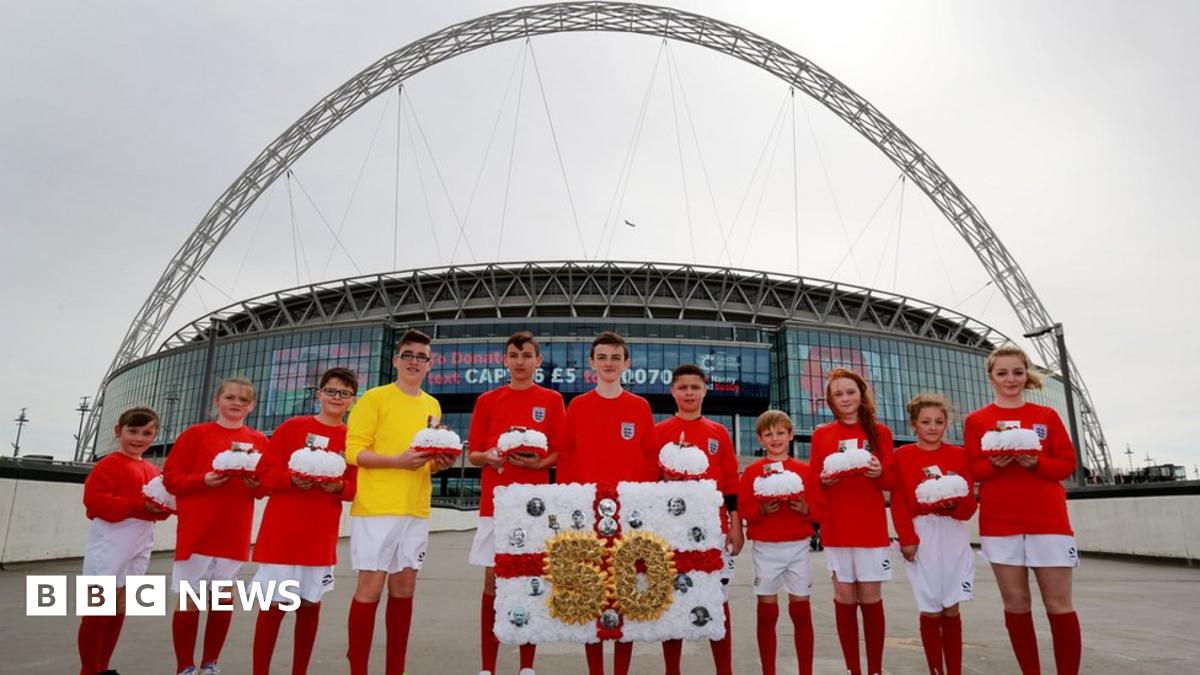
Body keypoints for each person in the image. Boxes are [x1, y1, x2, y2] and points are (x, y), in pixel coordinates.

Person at [344, 329, 457, 675]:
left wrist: (440, 463)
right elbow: (353, 452)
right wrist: (395, 461)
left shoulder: (432, 405)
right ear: (396, 360)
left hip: (415, 508)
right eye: (408, 354)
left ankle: (396, 668)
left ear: (430, 364)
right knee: (371, 589)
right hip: (378, 507)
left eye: (421, 356)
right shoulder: (375, 398)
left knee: (404, 589)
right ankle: (359, 667)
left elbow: (426, 461)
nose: (414, 361)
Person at [964, 344, 1081, 675]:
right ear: (991, 377)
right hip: (1001, 522)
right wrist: (995, 465)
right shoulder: (977, 420)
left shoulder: (1046, 417)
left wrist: (1036, 463)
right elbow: (973, 469)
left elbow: (1066, 464)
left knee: (1058, 604)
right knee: (1016, 603)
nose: (1010, 379)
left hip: (1049, 520)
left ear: (1026, 374)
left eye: (1017, 372)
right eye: (1002, 373)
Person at [558, 331, 659, 675]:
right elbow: (567, 459)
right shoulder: (578, 406)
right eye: (602, 357)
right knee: (592, 595)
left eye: (616, 358)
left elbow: (649, 460)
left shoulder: (640, 407)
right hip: (588, 518)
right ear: (591, 363)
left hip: (629, 520)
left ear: (626, 363)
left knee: (624, 596)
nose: (609, 364)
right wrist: (570, 507)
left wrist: (643, 510)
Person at [467, 331, 566, 675]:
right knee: (492, 582)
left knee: (530, 580)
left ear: (538, 361)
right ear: (505, 360)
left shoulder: (552, 400)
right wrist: (492, 456)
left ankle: (526, 666)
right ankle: (487, 667)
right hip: (496, 504)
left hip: (534, 505)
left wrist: (539, 463)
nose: (520, 361)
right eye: (514, 355)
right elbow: (474, 453)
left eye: (527, 355)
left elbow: (559, 452)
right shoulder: (488, 400)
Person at [250, 367, 359, 675]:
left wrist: (338, 487)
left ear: (352, 400)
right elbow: (265, 472)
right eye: (331, 391)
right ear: (319, 393)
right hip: (281, 535)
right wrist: (290, 480)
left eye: (345, 393)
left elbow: (357, 486)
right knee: (273, 607)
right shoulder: (291, 427)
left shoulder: (353, 438)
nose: (337, 397)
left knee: (309, 606)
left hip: (319, 537)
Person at [164, 377, 268, 675]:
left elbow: (262, 487)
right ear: (217, 401)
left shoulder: (259, 441)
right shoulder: (195, 435)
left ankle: (210, 663)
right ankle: (185, 665)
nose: (236, 403)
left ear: (252, 406)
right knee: (190, 599)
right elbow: (172, 478)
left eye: (243, 400)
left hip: (233, 530)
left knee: (222, 599)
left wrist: (254, 483)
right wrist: (202, 480)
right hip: (198, 529)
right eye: (230, 397)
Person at [654, 363, 742, 675]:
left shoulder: (719, 433)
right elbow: (650, 483)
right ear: (673, 391)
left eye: (695, 387)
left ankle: (724, 669)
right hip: (671, 532)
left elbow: (731, 482)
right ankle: (672, 670)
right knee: (673, 600)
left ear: (705, 391)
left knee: (717, 600)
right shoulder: (660, 432)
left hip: (712, 532)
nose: (689, 393)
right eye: (683, 387)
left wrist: (735, 524)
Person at [805, 368, 894, 675]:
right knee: (844, 596)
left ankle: (876, 670)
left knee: (871, 597)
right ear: (830, 399)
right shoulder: (822, 434)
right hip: (837, 526)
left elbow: (893, 479)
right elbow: (813, 479)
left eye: (850, 392)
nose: (845, 398)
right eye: (838, 393)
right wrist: (824, 481)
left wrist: (879, 471)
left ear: (861, 395)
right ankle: (853, 670)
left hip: (870, 527)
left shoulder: (879, 432)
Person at [78, 406, 170, 675]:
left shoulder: (153, 470)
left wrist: (163, 508)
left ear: (155, 435)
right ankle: (89, 670)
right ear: (119, 431)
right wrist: (139, 504)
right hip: (109, 543)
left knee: (118, 609)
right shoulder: (108, 464)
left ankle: (102, 667)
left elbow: (160, 507)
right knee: (97, 610)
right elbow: (94, 503)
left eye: (147, 433)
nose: (139, 438)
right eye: (133, 431)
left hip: (139, 543)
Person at [890, 394, 977, 675]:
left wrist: (954, 507)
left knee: (951, 607)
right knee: (930, 607)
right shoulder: (902, 456)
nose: (932, 427)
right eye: (925, 421)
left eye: (939, 421)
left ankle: (954, 670)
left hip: (952, 533)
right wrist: (907, 538)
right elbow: (900, 501)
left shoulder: (959, 455)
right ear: (914, 424)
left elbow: (968, 504)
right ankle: (935, 669)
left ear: (947, 424)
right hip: (921, 533)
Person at [738, 410, 824, 675]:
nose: (774, 438)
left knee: (801, 612)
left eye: (780, 433)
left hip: (798, 547)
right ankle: (768, 670)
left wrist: (805, 508)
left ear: (790, 435)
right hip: (766, 548)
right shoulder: (753, 471)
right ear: (760, 439)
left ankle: (806, 670)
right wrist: (760, 511)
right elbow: (743, 509)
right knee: (767, 612)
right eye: (768, 434)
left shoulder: (805, 471)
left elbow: (821, 510)